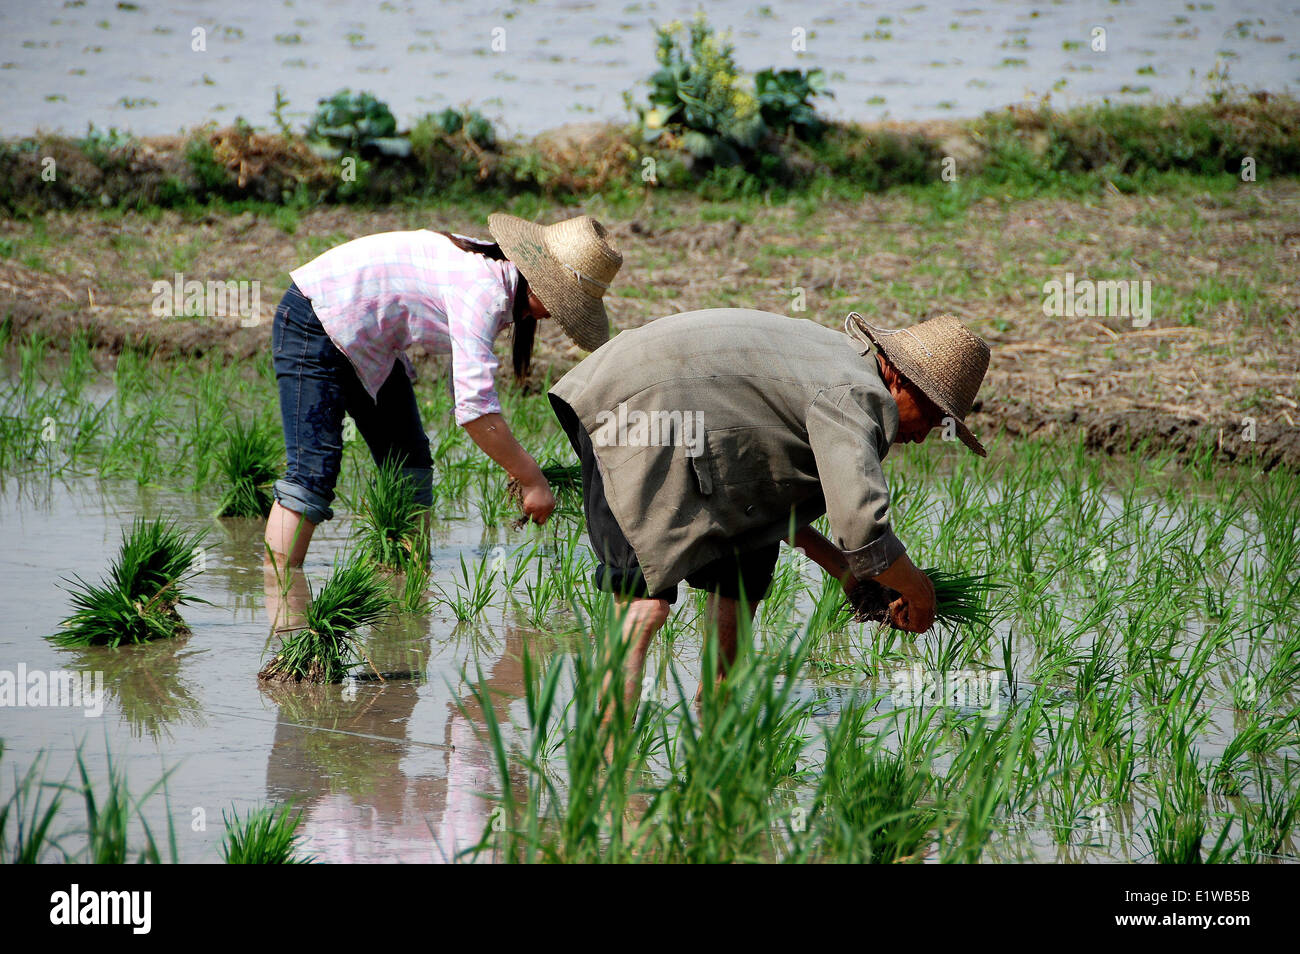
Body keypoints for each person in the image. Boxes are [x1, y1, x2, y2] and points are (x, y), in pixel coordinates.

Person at [548, 308, 990, 714]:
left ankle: (714, 720)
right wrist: (919, 593)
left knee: (745, 573)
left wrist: (844, 572)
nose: (927, 434)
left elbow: (773, 506)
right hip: (636, 405)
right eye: (932, 415)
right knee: (644, 607)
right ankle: (605, 770)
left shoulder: (841, 372)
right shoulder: (856, 397)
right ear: (896, 375)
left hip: (697, 426)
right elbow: (861, 527)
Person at [262, 214, 622, 569]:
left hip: (368, 339)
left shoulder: (496, 276)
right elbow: (475, 411)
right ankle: (282, 606)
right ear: (540, 283)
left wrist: (516, 464)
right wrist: (531, 477)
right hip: (315, 320)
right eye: (560, 304)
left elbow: (470, 393)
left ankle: (405, 579)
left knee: (409, 463)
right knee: (312, 473)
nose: (553, 317)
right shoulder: (483, 289)